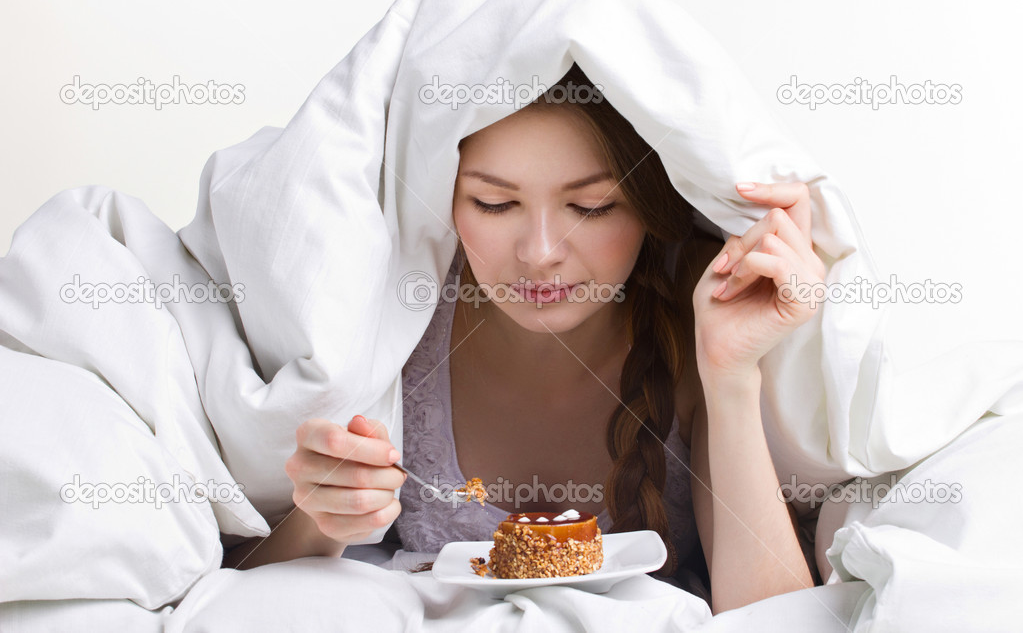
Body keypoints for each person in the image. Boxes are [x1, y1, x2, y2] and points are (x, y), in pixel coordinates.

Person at [224, 64, 824, 614]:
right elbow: (238, 602)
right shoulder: (394, 318)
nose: (539, 254)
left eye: (591, 207)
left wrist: (732, 378)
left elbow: (775, 621)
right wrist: (320, 517)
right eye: (495, 203)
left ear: (649, 204)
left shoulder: (693, 319)